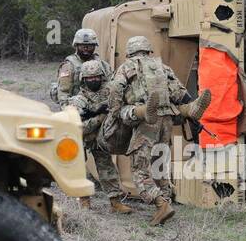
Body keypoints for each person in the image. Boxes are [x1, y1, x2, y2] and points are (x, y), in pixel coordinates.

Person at [106, 35, 210, 227]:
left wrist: (114, 111)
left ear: (129, 51)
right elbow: (178, 90)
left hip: (146, 122)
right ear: (148, 50)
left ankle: (161, 204)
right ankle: (188, 109)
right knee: (160, 165)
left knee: (139, 169)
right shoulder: (161, 66)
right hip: (167, 120)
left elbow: (115, 90)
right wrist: (187, 105)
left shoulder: (127, 67)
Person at [66, 59, 132, 213]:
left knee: (107, 168)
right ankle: (84, 201)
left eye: (96, 77)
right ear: (83, 79)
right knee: (78, 170)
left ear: (102, 77)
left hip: (101, 139)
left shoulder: (110, 91)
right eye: (89, 78)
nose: (93, 80)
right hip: (81, 139)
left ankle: (115, 203)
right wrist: (100, 117)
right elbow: (77, 128)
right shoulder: (78, 101)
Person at [52, 28, 108, 103]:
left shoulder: (102, 64)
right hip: (77, 105)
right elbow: (63, 93)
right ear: (76, 46)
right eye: (82, 46)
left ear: (95, 46)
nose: (86, 49)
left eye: (90, 46)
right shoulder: (69, 65)